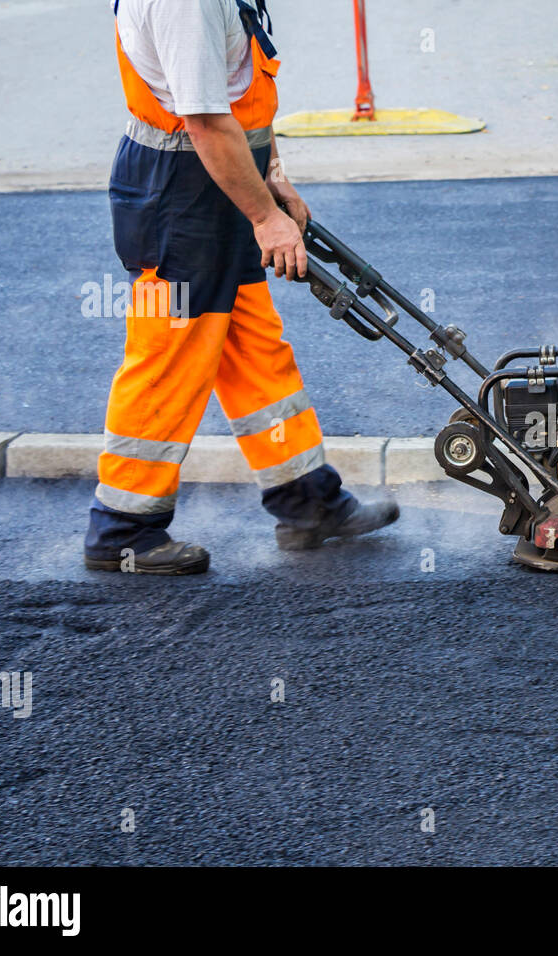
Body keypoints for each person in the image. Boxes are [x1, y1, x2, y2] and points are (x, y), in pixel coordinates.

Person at [85, 0, 397, 574]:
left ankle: (307, 501)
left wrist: (274, 181)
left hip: (222, 183)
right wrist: (264, 217)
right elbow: (203, 120)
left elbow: (242, 101)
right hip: (176, 200)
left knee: (255, 349)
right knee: (169, 357)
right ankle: (121, 529)